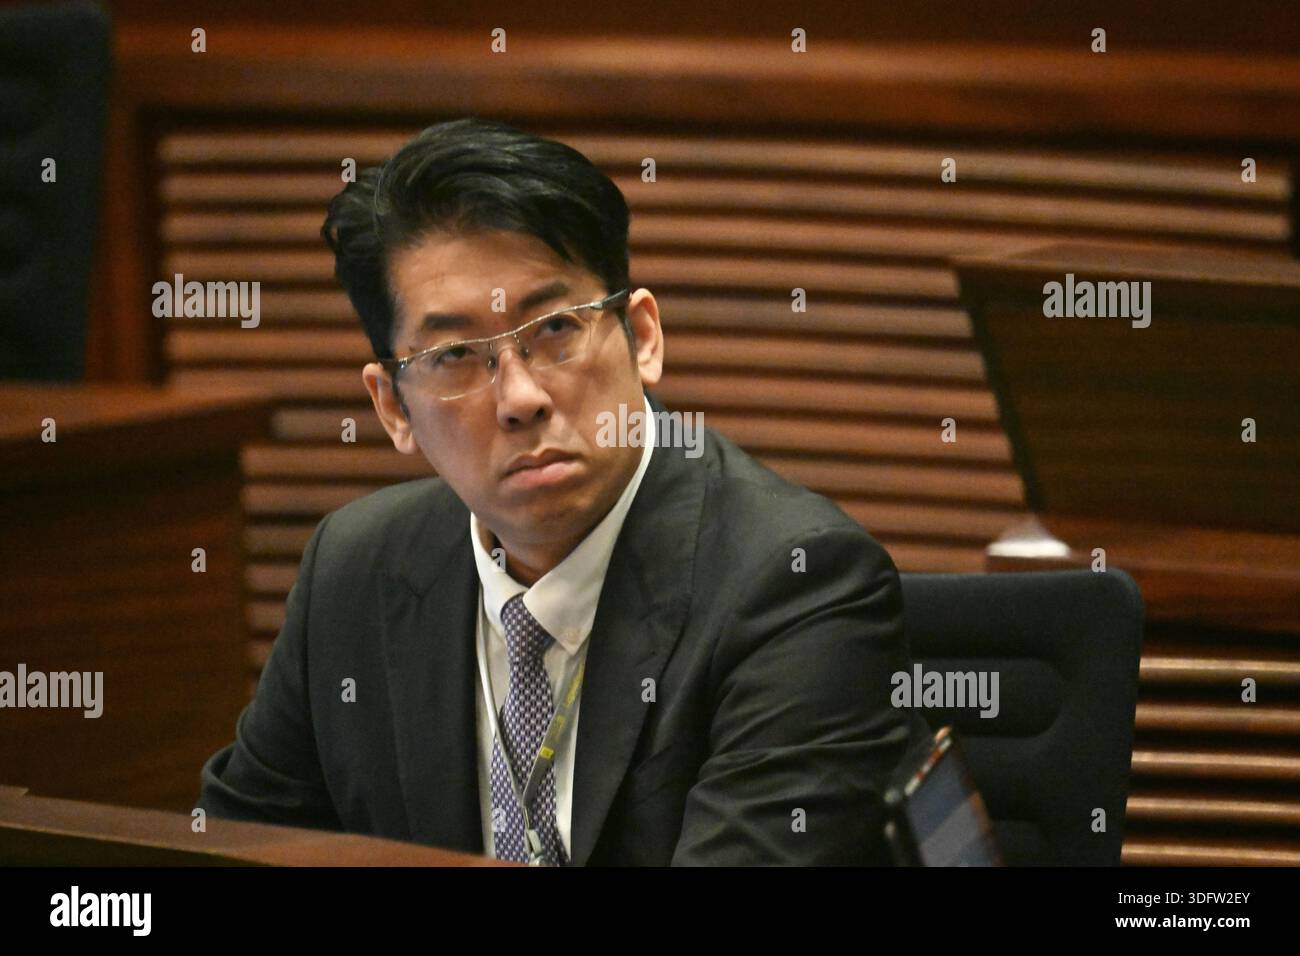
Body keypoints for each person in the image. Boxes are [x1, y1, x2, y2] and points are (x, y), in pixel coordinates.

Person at [197, 117, 930, 865]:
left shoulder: (796, 586)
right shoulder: (351, 572)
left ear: (642, 337)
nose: (520, 397)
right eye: (454, 355)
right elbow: (234, 851)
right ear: (392, 407)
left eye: (554, 330)